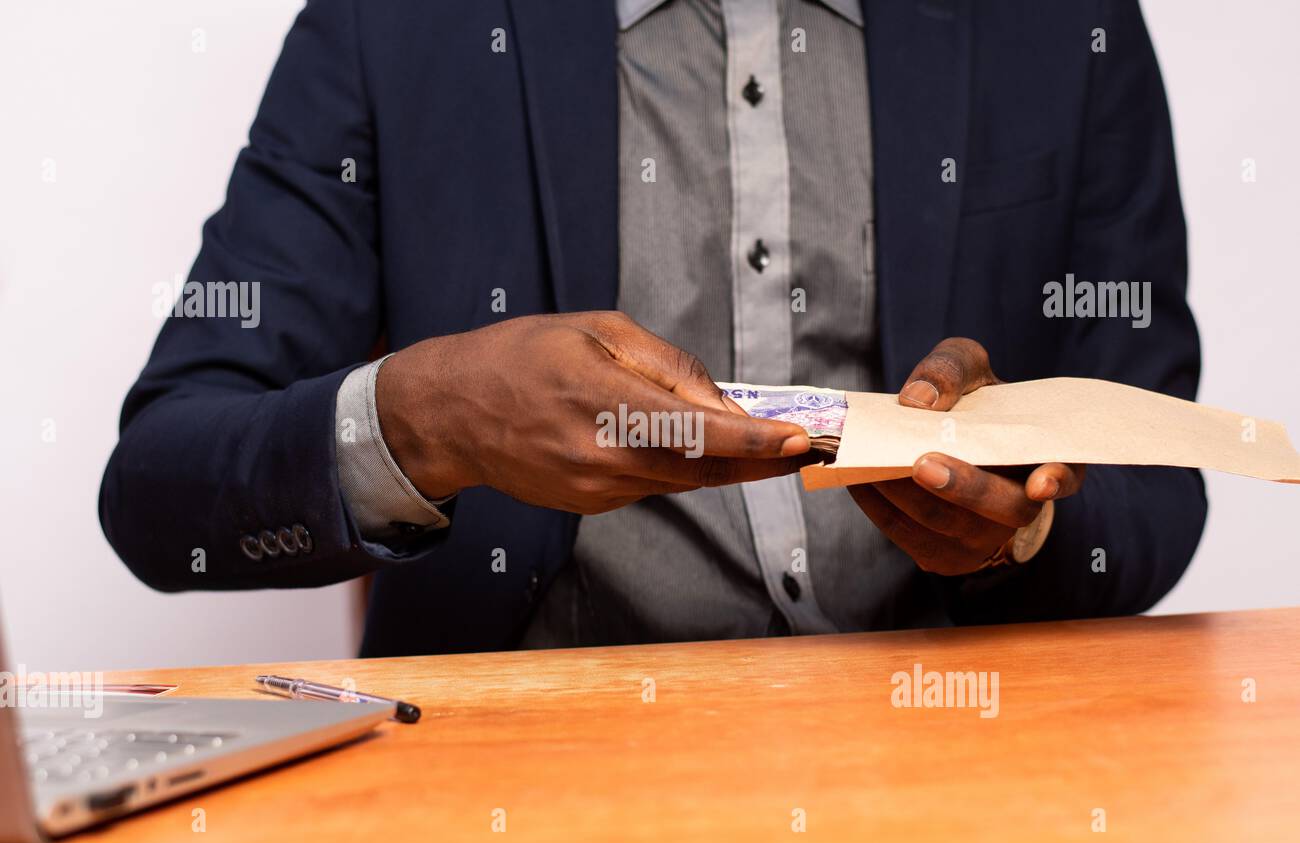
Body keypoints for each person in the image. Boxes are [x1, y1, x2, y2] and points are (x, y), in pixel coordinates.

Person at [99, 0, 1205, 655]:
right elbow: (158, 489)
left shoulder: (1062, 25)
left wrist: (1024, 525)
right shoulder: (392, 27)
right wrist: (429, 415)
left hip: (962, 765)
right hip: (521, 792)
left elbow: (1164, 476)